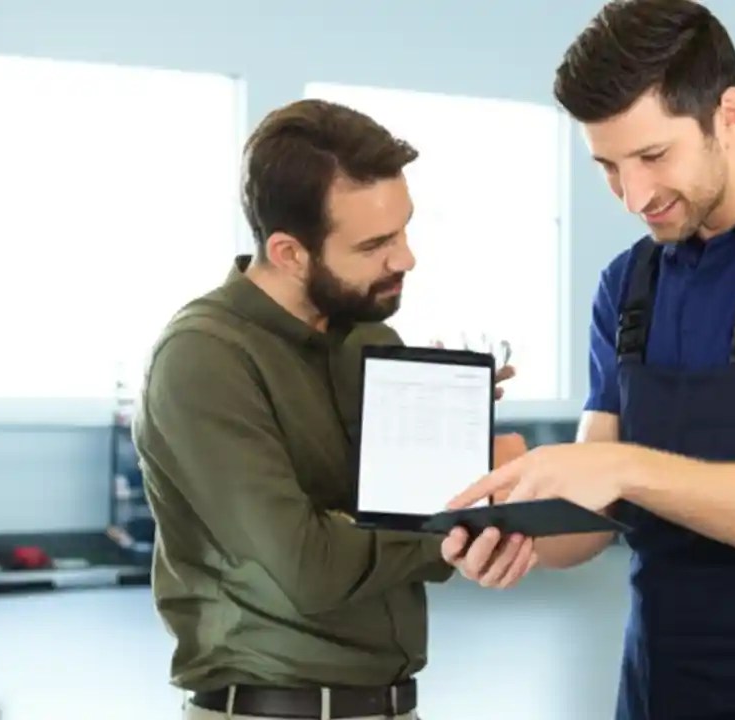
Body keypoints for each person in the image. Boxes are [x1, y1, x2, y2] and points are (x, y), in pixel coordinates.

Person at [446, 1, 735, 718]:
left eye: (653, 156)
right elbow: (591, 522)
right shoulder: (629, 283)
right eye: (607, 166)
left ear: (728, 114)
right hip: (653, 689)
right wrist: (515, 521)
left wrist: (626, 466)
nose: (633, 196)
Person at [132, 98, 535, 720]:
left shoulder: (372, 342)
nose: (405, 258)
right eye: (375, 243)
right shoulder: (201, 359)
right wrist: (451, 528)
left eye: (403, 230)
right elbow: (310, 567)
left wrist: (450, 438)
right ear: (290, 252)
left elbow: (393, 526)